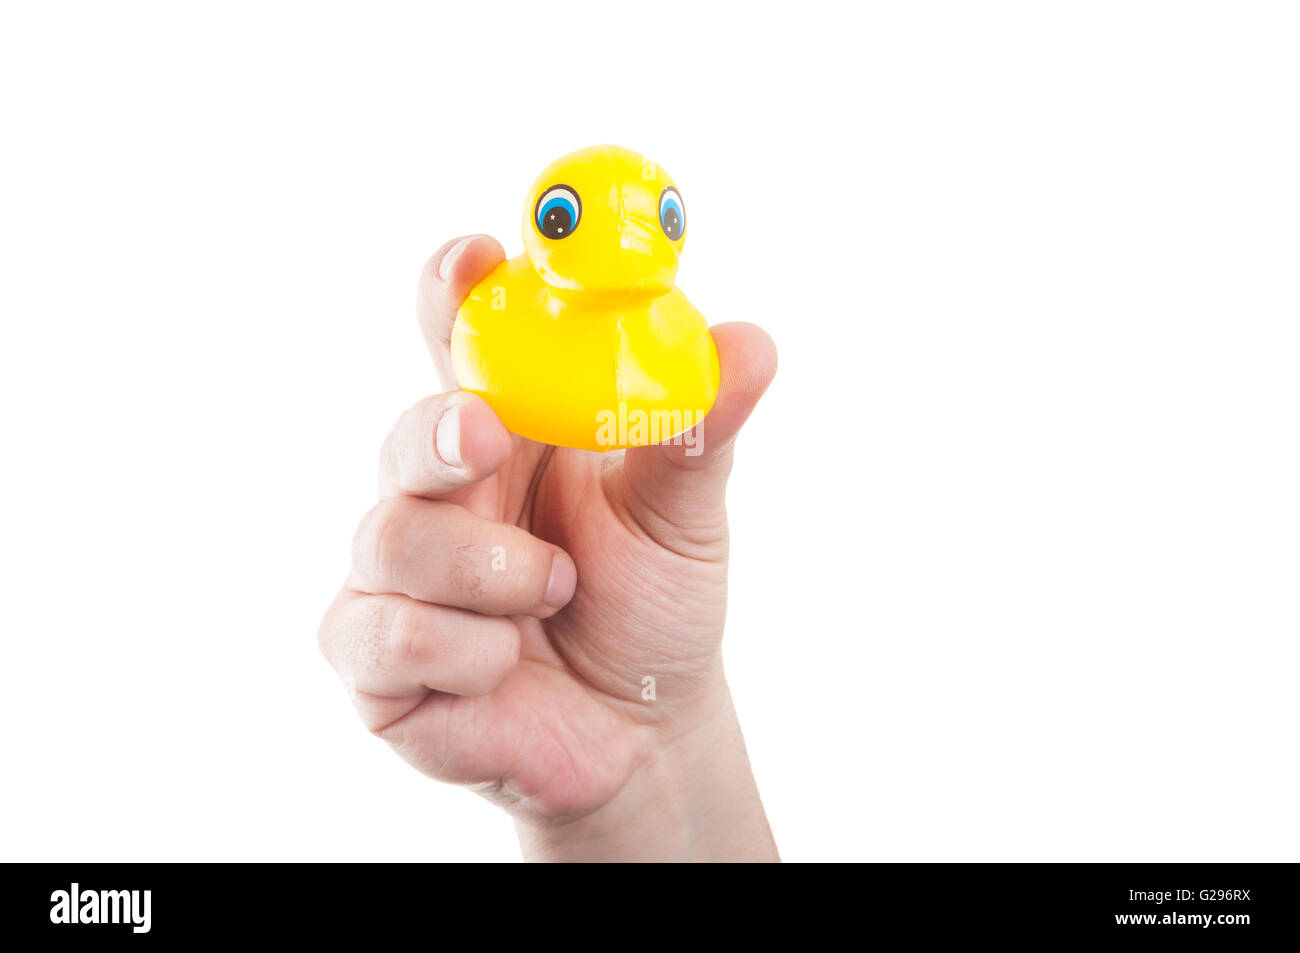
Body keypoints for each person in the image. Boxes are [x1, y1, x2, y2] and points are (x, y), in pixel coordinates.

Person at [318, 235, 780, 861]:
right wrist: (643, 768)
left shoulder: (673, 342)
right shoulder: (507, 317)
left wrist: (659, 740)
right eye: (564, 220)